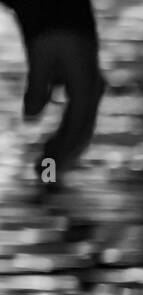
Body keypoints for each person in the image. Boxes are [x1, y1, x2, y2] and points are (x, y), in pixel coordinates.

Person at [3, 0, 103, 173]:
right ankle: (50, 169)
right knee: (84, 98)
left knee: (36, 105)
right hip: (71, 33)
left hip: (47, 33)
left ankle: (49, 168)